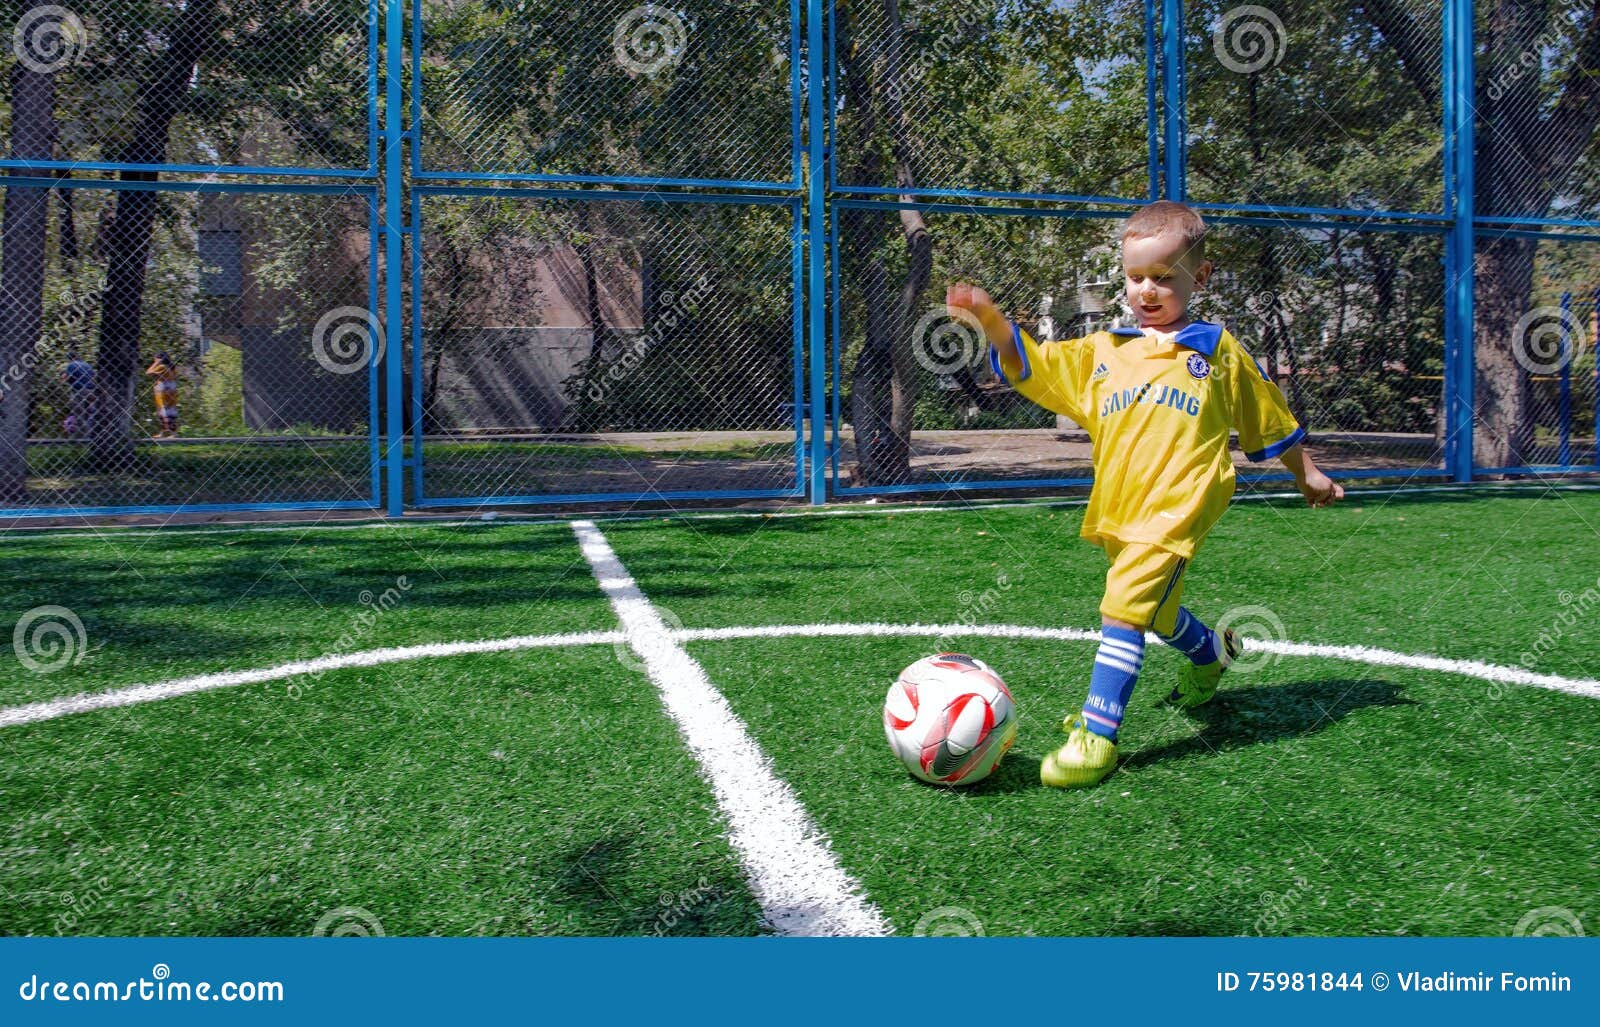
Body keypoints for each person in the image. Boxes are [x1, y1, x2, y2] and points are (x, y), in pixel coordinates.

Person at [946, 199, 1343, 789]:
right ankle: (1212, 654)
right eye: (1136, 278)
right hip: (1119, 507)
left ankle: (1098, 736)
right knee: (1154, 611)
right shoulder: (1104, 352)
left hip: (1182, 504)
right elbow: (1032, 364)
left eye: (1163, 277)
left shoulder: (1217, 351)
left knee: (1122, 606)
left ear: (1199, 276)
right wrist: (995, 323)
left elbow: (1271, 418)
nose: (1148, 291)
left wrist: (1304, 470)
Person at [145, 351, 180, 438]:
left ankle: (172, 434)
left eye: (155, 358)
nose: (154, 360)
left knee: (165, 414)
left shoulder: (162, 366)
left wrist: (156, 363)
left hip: (163, 394)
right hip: (170, 393)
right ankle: (165, 432)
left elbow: (148, 372)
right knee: (167, 413)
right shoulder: (171, 367)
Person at [61, 349, 94, 436]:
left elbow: (66, 378)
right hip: (91, 391)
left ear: (70, 358)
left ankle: (82, 437)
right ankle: (91, 435)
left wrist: (63, 377)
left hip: (79, 391)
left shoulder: (71, 365)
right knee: (90, 414)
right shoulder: (87, 365)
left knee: (79, 414)